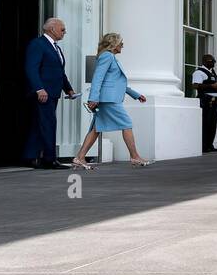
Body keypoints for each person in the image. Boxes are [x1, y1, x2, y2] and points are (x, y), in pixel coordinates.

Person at [72, 33, 152, 169]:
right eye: (121, 43)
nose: (123, 45)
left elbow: (118, 83)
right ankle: (135, 157)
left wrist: (136, 95)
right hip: (108, 100)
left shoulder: (111, 57)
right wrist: (93, 98)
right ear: (114, 44)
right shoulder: (107, 56)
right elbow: (97, 78)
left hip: (107, 99)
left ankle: (79, 158)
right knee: (126, 123)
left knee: (96, 129)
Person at [23, 17, 78, 169]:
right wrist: (39, 88)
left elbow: (59, 72)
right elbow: (31, 68)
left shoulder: (55, 47)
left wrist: (68, 89)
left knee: (39, 125)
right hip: (43, 93)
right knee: (48, 124)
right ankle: (49, 159)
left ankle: (30, 156)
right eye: (62, 29)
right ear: (52, 29)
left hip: (52, 92)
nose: (65, 32)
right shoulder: (38, 44)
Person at [191, 53, 217, 153]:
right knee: (205, 123)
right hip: (205, 101)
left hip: (215, 102)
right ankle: (204, 146)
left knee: (213, 124)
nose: (213, 63)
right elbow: (195, 86)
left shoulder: (212, 72)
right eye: (211, 61)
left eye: (214, 61)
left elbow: (214, 84)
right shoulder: (199, 72)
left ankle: (210, 144)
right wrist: (212, 87)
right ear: (204, 61)